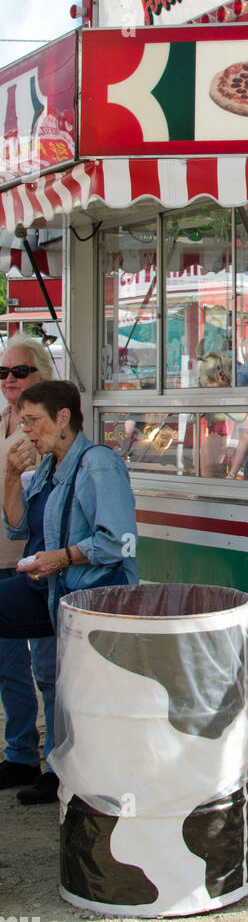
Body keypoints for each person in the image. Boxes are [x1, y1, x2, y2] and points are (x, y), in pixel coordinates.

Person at [0, 381, 139, 802]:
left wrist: (59, 558)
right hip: (50, 586)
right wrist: (10, 474)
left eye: (33, 421)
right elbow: (18, 527)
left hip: (88, 595)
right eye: (23, 423)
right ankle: (53, 764)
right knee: (58, 678)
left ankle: (64, 770)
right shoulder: (48, 465)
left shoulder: (98, 464)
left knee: (74, 684)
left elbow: (120, 541)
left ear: (64, 418)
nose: (27, 432)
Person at [0, 337, 58, 804]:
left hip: (37, 565)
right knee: (9, 667)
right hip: (11, 559)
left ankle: (56, 762)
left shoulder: (48, 431)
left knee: (48, 668)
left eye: (19, 373)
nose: (10, 381)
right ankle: (21, 752)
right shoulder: (5, 422)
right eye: (2, 374)